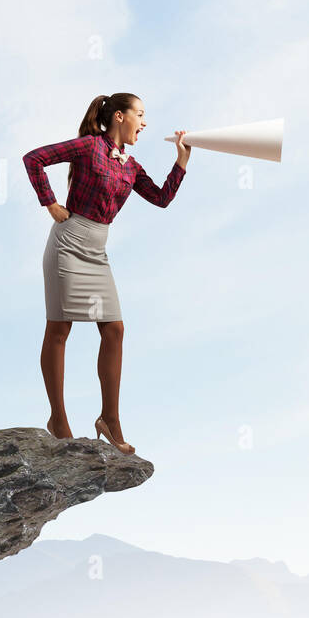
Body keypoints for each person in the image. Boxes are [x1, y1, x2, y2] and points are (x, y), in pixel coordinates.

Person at [23, 93, 192, 454]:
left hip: (97, 252)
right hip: (68, 245)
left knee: (114, 328)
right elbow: (34, 159)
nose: (144, 123)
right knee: (59, 328)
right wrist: (50, 202)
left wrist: (181, 161)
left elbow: (161, 199)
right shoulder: (88, 147)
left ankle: (109, 420)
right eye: (140, 115)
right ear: (119, 116)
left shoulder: (130, 167)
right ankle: (58, 418)